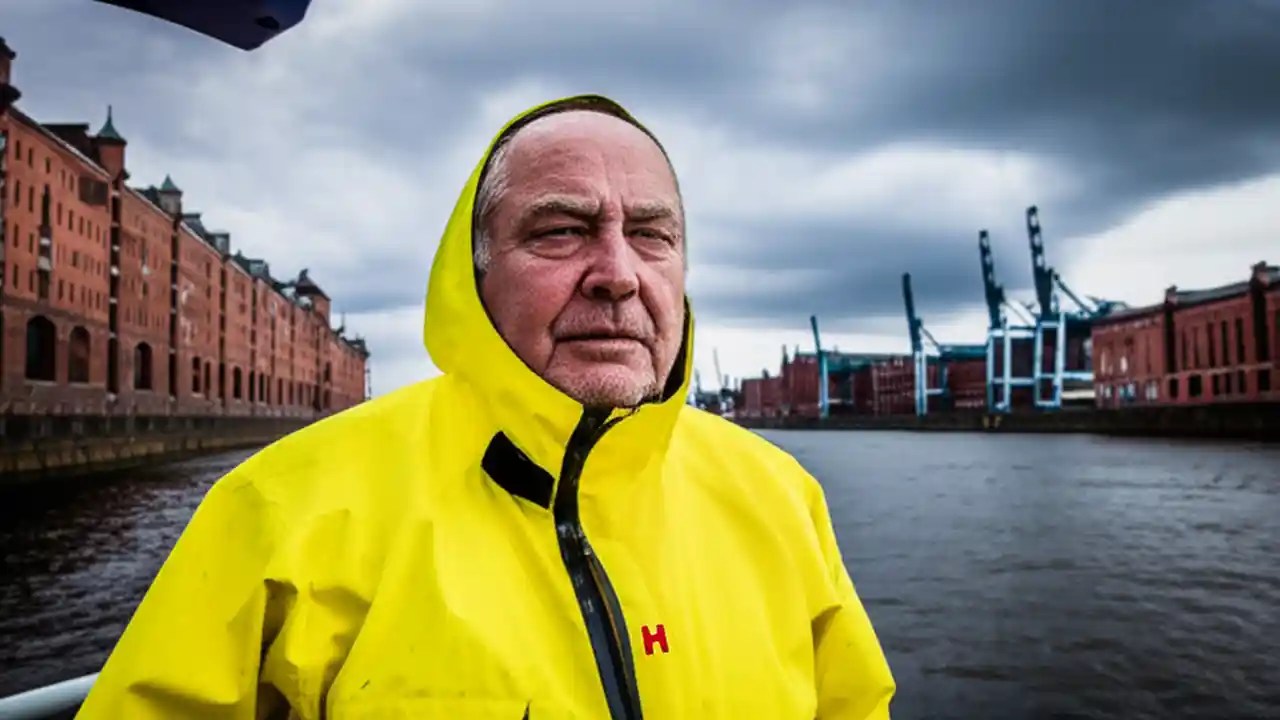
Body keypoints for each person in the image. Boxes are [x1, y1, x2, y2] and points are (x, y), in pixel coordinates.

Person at [77, 95, 895, 719]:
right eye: (562, 231)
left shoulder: (782, 501)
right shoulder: (279, 510)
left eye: (652, 235)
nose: (618, 272)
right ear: (476, 275)